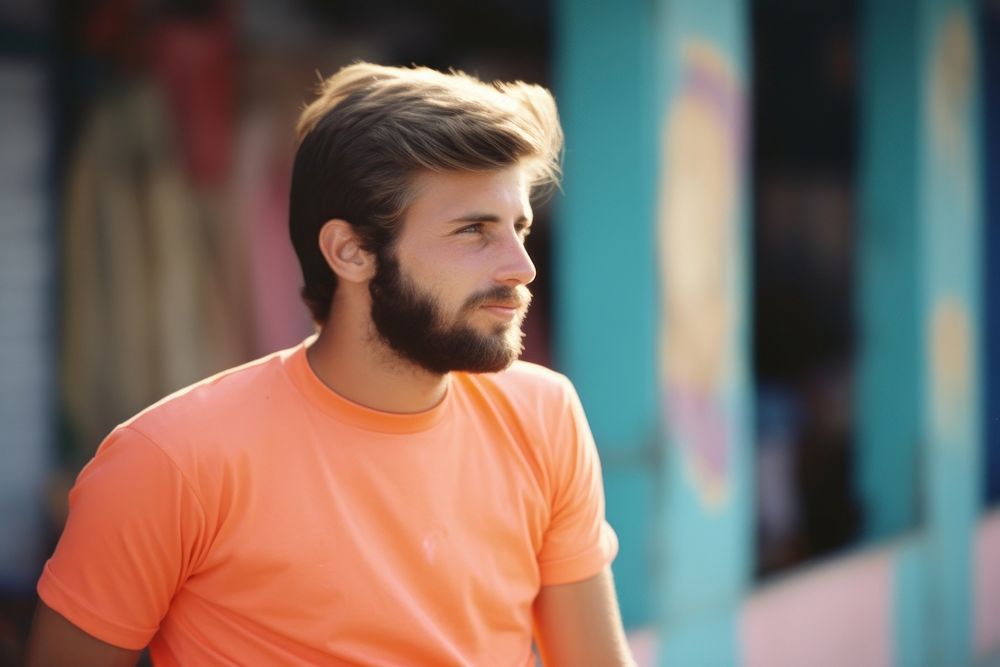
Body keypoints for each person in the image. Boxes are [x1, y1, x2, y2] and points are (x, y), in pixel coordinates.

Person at [26, 62, 632, 666]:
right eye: (474, 230)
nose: (521, 267)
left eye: (518, 227)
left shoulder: (544, 416)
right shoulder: (170, 461)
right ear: (351, 251)